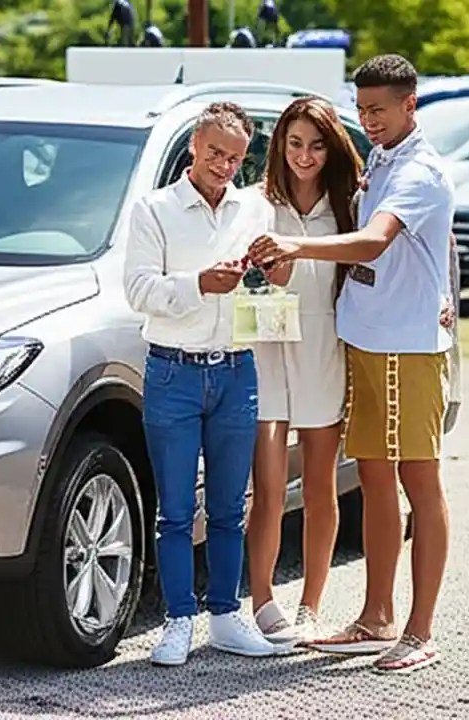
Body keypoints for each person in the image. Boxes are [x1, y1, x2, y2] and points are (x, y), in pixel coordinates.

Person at [247, 53, 455, 674]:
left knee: (419, 482)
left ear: (410, 105)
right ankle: (376, 618)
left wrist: (296, 244)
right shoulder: (381, 163)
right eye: (362, 110)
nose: (369, 121)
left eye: (380, 111)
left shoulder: (419, 170)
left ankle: (418, 633)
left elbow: (373, 242)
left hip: (405, 349)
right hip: (365, 343)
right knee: (373, 480)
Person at [124, 101, 294, 667]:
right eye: (216, 153)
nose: (225, 165)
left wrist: (276, 269)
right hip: (172, 370)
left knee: (228, 505)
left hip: (236, 370)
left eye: (236, 156)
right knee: (175, 510)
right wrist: (199, 283)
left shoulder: (254, 209)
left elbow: (272, 284)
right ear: (194, 148)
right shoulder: (155, 209)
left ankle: (225, 615)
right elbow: (138, 290)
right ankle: (178, 620)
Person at [243, 96, 365, 646]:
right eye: (294, 144)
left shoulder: (350, 206)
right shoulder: (255, 206)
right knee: (267, 488)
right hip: (266, 350)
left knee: (320, 486)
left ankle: (312, 605)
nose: (304, 155)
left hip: (323, 348)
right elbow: (239, 282)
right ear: (280, 145)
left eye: (316, 145)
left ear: (332, 146)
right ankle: (263, 600)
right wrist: (270, 272)